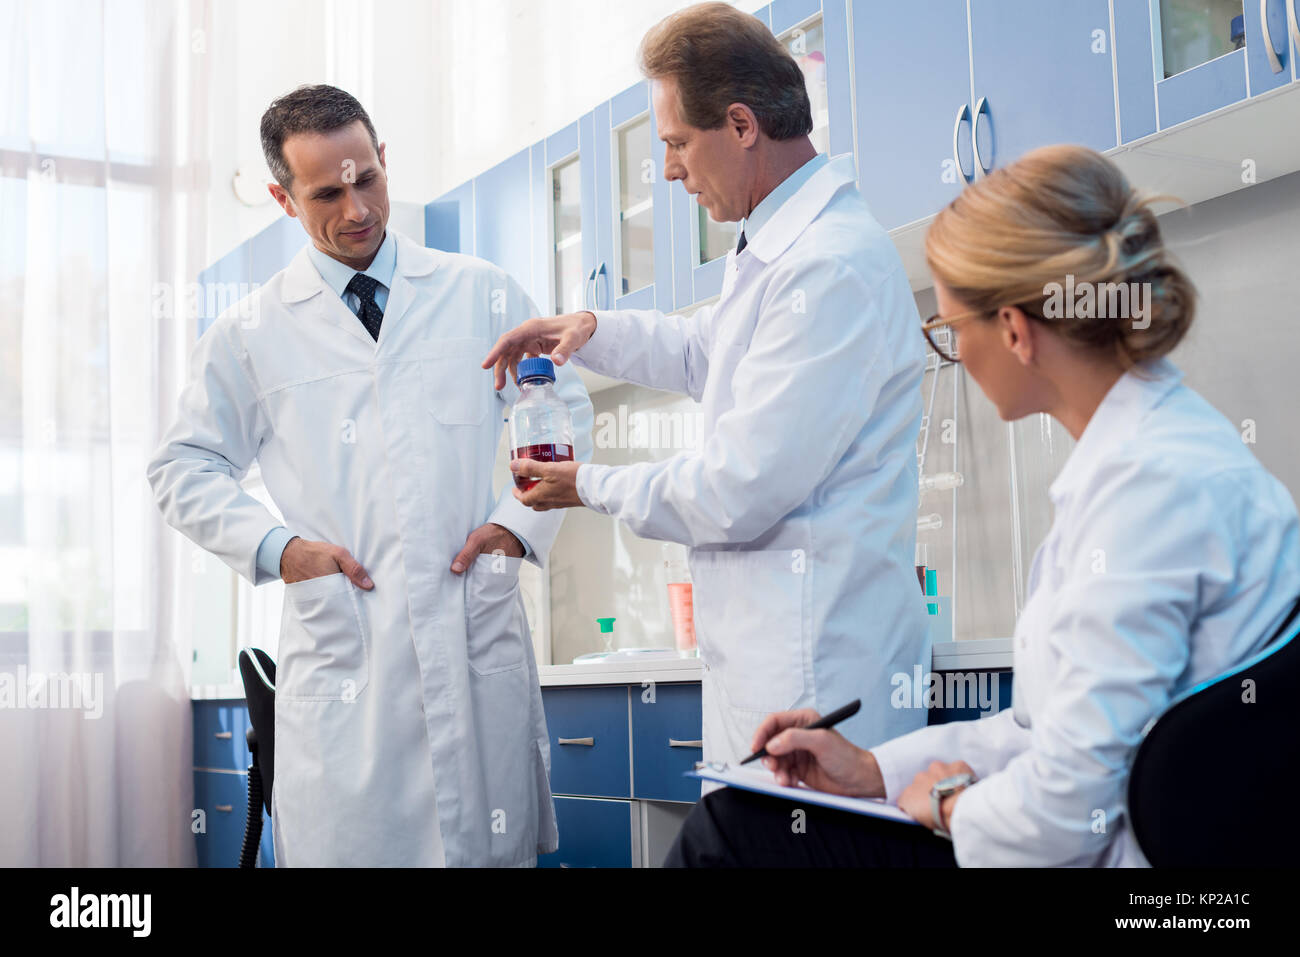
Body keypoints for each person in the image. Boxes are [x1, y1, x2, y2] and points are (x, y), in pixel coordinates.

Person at [664, 144, 1300, 867]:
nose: (956, 353)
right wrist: (874, 771)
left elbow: (1070, 808)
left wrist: (947, 804)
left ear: (1016, 331)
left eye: (951, 328)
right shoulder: (1149, 455)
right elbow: (1044, 735)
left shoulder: (1149, 490)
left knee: (729, 832)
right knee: (743, 819)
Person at [148, 85, 594, 866]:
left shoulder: (480, 292)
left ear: (383, 159)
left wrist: (513, 528)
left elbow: (565, 411)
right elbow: (181, 467)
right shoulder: (251, 333)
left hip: (471, 629)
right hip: (347, 659)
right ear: (283, 199)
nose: (357, 209)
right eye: (327, 193)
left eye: (368, 179)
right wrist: (283, 551)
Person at [482, 1, 930, 769]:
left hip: (818, 670)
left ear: (741, 125)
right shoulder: (774, 247)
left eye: (677, 143)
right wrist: (590, 327)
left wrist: (586, 483)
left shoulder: (826, 267)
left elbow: (736, 487)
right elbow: (703, 350)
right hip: (767, 664)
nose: (668, 169)